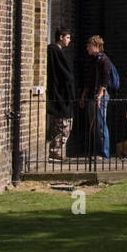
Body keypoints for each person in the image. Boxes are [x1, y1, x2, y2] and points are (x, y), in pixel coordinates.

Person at [79, 35, 113, 159]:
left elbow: (104, 80)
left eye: (89, 45)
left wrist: (99, 96)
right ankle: (98, 152)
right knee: (94, 126)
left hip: (100, 96)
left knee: (100, 125)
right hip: (91, 96)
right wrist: (83, 95)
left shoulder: (104, 60)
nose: (87, 47)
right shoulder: (93, 61)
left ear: (96, 46)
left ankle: (104, 153)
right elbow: (89, 81)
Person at [46, 28, 75, 162]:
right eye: (68, 37)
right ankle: (55, 151)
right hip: (60, 96)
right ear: (61, 37)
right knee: (63, 124)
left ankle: (56, 150)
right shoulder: (55, 51)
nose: (69, 40)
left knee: (62, 124)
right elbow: (65, 75)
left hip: (59, 95)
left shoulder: (54, 51)